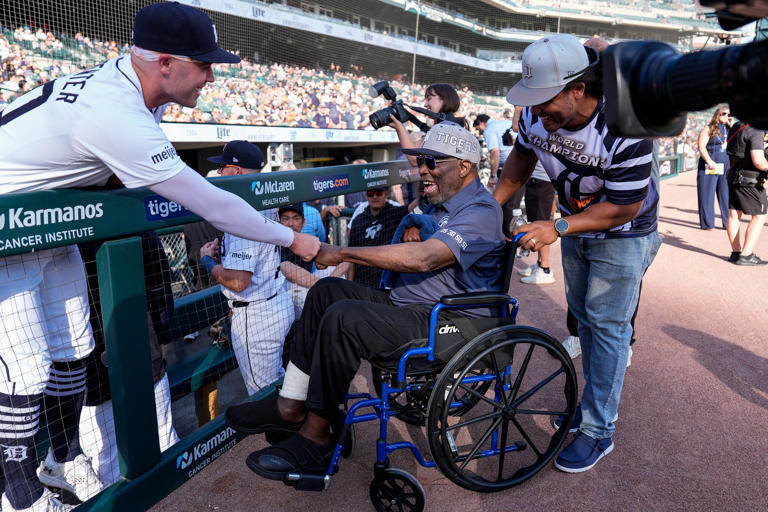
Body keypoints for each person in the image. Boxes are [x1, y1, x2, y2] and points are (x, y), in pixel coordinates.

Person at [0, 4, 318, 510]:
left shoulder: (134, 89)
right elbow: (211, 202)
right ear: (166, 62)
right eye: (205, 64)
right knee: (27, 367)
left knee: (74, 345)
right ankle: (15, 493)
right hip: (6, 227)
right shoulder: (116, 111)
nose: (212, 76)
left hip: (50, 225)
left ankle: (61, 457)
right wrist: (289, 239)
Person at [223, 123, 505, 479]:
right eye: (421, 161)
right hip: (411, 306)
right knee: (326, 292)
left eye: (432, 161)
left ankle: (317, 437)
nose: (422, 169)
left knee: (344, 317)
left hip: (450, 323)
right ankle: (290, 404)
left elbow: (424, 259)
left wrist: (341, 251)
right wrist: (414, 223)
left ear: (464, 166)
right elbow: (421, 242)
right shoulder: (441, 203)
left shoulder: (481, 210)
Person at [496, 34, 661, 473]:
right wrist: (488, 210)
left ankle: (598, 430)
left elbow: (622, 207)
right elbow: (520, 160)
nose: (534, 110)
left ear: (578, 90)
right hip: (575, 220)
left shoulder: (628, 123)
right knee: (585, 320)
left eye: (544, 100)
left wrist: (557, 227)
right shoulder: (537, 115)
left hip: (626, 228)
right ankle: (591, 408)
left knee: (607, 325)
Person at [77, 232, 179, 487]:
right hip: (90, 360)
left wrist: (161, 336)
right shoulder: (60, 225)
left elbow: (160, 286)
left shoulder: (132, 214)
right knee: (105, 456)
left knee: (160, 439)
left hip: (138, 344)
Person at [199, 141, 296, 394]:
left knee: (262, 394)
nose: (219, 173)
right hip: (272, 302)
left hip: (258, 316)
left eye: (223, 168)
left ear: (237, 171)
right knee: (277, 378)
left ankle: (294, 432)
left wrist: (207, 261)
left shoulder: (242, 210)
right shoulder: (262, 199)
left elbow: (239, 282)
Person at [278, 203, 351, 317]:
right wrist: (324, 285)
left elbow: (345, 259)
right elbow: (286, 268)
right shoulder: (274, 243)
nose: (291, 224)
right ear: (279, 222)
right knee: (297, 290)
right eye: (285, 219)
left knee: (330, 269)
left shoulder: (307, 241)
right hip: (281, 300)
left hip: (309, 287)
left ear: (303, 223)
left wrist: (330, 280)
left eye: (296, 218)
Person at [347, 187, 409, 287]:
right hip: (362, 282)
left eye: (379, 193)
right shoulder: (358, 220)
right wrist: (350, 285)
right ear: (366, 196)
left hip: (386, 282)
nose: (375, 197)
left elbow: (416, 207)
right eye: (371, 193)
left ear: (386, 194)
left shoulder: (395, 213)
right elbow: (351, 259)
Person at [725, 121, 768, 265]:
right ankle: (746, 255)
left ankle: (736, 253)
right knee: (759, 216)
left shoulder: (736, 126)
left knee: (734, 214)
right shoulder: (756, 129)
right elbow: (758, 160)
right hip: (750, 180)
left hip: (733, 175)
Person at [474, 112, 523, 238]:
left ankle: (507, 241)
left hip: (509, 169)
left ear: (481, 123)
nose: (479, 133)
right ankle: (511, 239)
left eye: (478, 129)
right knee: (513, 207)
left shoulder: (489, 129)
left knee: (506, 207)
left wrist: (493, 175)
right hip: (523, 167)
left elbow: (495, 152)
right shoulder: (504, 122)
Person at [697, 106, 731, 230]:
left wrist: (731, 125)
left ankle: (728, 223)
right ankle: (707, 224)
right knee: (707, 195)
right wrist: (710, 161)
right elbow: (701, 146)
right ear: (717, 115)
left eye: (729, 114)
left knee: (726, 194)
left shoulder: (729, 129)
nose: (726, 116)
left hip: (725, 167)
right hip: (709, 165)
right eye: (724, 114)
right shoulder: (708, 128)